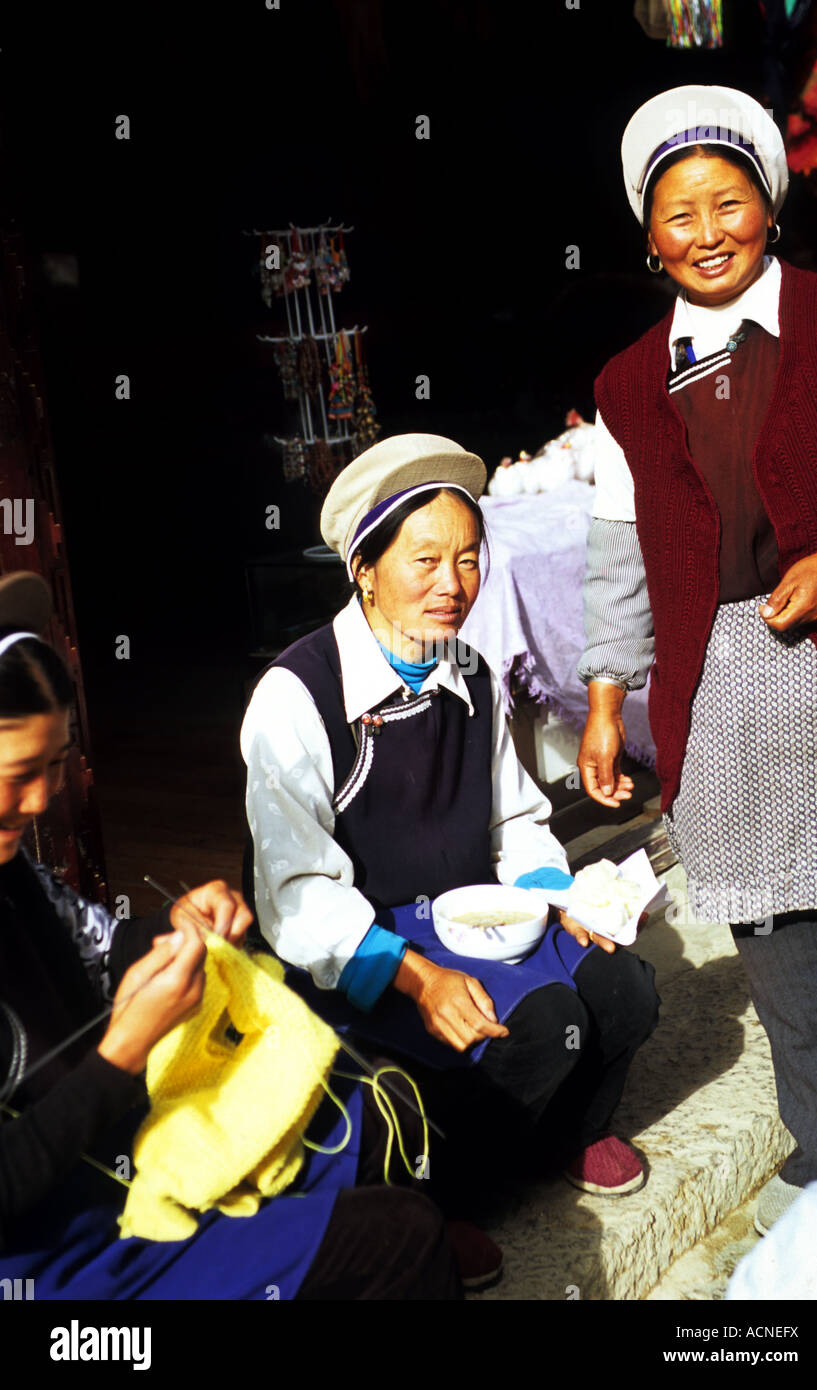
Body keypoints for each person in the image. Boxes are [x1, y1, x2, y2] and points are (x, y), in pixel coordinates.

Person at [0, 571, 462, 1300]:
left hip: (105, 1157)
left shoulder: (14, 874)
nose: (39, 800)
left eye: (55, 768)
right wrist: (121, 1055)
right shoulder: (301, 691)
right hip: (48, 1262)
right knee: (404, 1237)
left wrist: (171, 924)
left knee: (374, 1106)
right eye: (19, 773)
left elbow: (97, 950)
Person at [241, 433, 660, 1206]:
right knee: (540, 1026)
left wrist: (557, 898)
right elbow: (295, 894)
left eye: (469, 558)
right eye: (425, 561)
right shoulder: (297, 695)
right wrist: (417, 975)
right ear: (364, 570)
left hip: (475, 922)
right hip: (371, 949)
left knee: (625, 986)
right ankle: (442, 1195)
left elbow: (516, 819)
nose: (454, 585)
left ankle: (566, 1130)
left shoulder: (469, 669)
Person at [576, 84, 817, 1235]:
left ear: (767, 211)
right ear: (646, 237)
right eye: (676, 214)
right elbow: (612, 553)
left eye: (725, 204)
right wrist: (603, 701)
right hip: (720, 681)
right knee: (775, 933)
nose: (704, 233)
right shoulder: (627, 383)